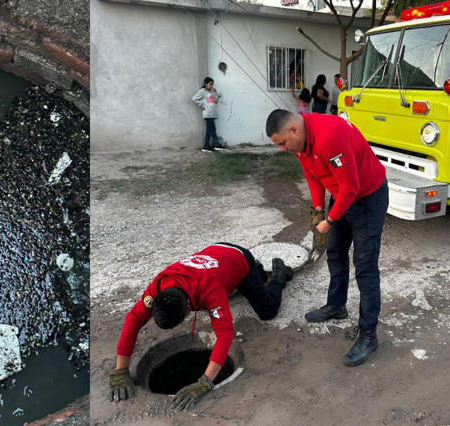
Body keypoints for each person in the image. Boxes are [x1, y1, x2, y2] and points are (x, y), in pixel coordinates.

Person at [265, 109, 388, 367]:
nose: (282, 149)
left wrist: (329, 221)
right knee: (334, 252)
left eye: (282, 143)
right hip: (342, 195)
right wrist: (318, 208)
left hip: (367, 197)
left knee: (365, 267)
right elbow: (313, 174)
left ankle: (368, 334)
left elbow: (352, 187)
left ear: (294, 130)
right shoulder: (301, 144)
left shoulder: (329, 137)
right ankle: (336, 306)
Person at [109, 243, 294, 410]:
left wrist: (205, 382)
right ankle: (257, 276)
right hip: (217, 254)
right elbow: (133, 320)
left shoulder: (210, 290)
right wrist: (120, 371)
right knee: (242, 289)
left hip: (239, 258)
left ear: (189, 308)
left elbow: (225, 335)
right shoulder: (158, 286)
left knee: (268, 311)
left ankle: (279, 273)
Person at [192, 77, 225, 152]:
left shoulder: (211, 91)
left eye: (212, 84)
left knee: (209, 130)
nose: (211, 86)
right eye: (210, 84)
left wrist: (214, 93)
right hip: (207, 113)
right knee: (212, 130)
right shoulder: (202, 91)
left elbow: (216, 101)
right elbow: (194, 99)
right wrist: (203, 105)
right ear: (205, 84)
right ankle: (217, 145)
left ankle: (206, 146)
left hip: (212, 113)